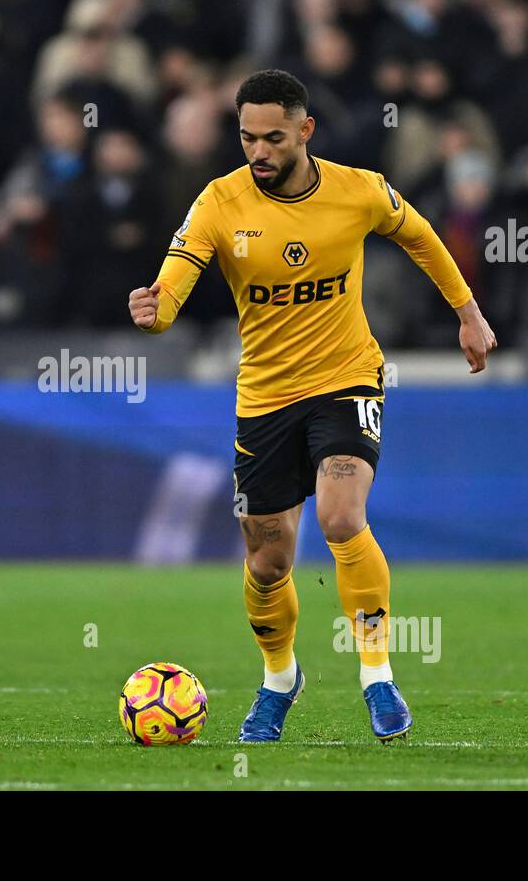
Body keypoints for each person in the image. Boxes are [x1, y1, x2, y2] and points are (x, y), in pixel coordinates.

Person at [128, 69, 495, 743]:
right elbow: (173, 286)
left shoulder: (358, 191)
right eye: (246, 138)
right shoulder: (219, 201)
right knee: (269, 562)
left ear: (305, 130)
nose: (258, 152)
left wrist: (467, 314)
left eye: (272, 138)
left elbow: (420, 235)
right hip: (265, 398)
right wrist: (153, 314)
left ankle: (377, 675)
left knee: (341, 515)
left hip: (347, 379)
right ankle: (279, 679)